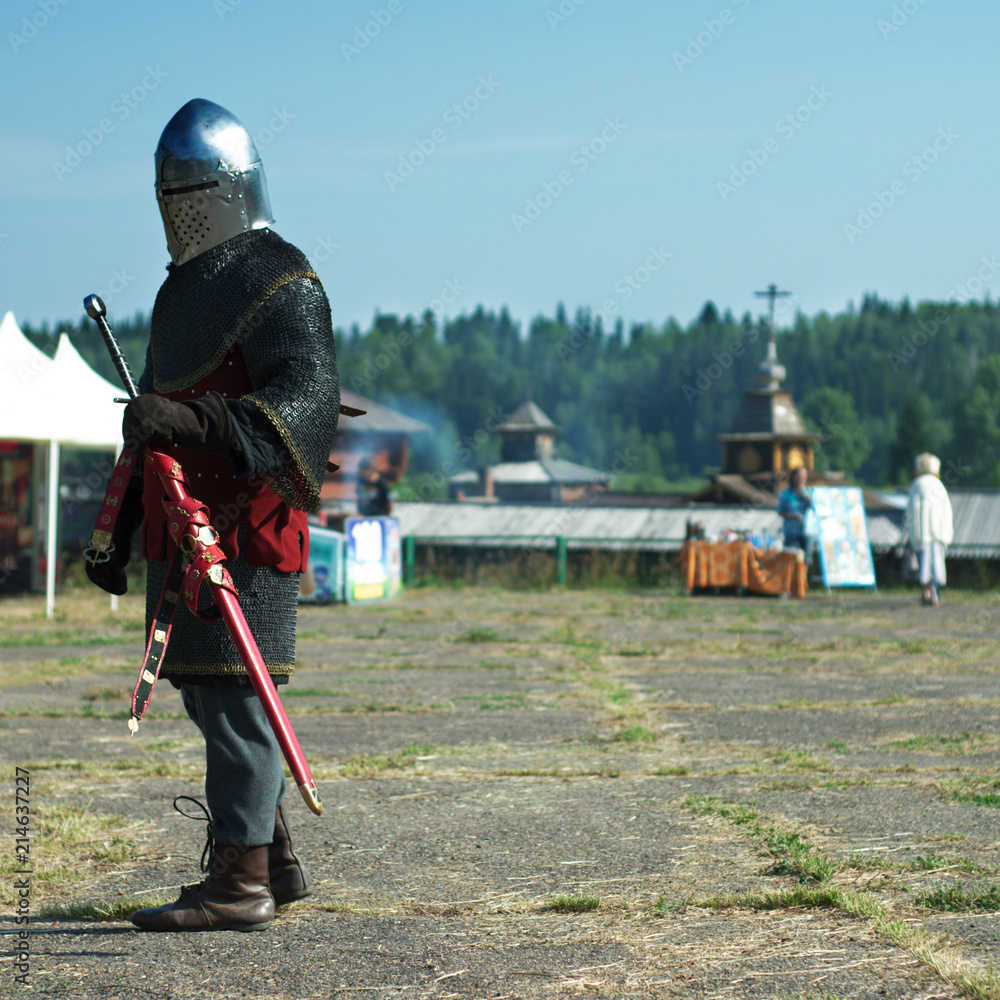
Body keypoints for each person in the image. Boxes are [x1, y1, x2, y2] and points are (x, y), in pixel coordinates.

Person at [85, 99, 339, 931]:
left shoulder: (282, 277)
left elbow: (305, 404)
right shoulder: (180, 293)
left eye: (192, 190)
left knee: (237, 704)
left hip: (244, 532)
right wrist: (114, 531)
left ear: (230, 188)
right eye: (168, 193)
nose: (178, 209)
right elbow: (152, 427)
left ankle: (240, 883)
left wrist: (192, 421)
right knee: (208, 694)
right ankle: (273, 858)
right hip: (181, 529)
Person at [904, 452, 953, 606]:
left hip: (922, 533)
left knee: (923, 564)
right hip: (938, 534)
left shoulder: (917, 485)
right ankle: (935, 594)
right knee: (936, 563)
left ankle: (927, 593)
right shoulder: (940, 485)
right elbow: (947, 512)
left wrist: (912, 531)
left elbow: (912, 511)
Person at [777, 466, 814, 564]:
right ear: (793, 477)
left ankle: (803, 579)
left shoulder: (810, 492)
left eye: (804, 476)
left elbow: (815, 508)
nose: (802, 478)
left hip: (807, 530)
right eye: (800, 476)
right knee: (791, 558)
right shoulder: (785, 494)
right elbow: (780, 511)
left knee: (806, 560)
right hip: (791, 531)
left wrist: (805, 496)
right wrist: (793, 516)